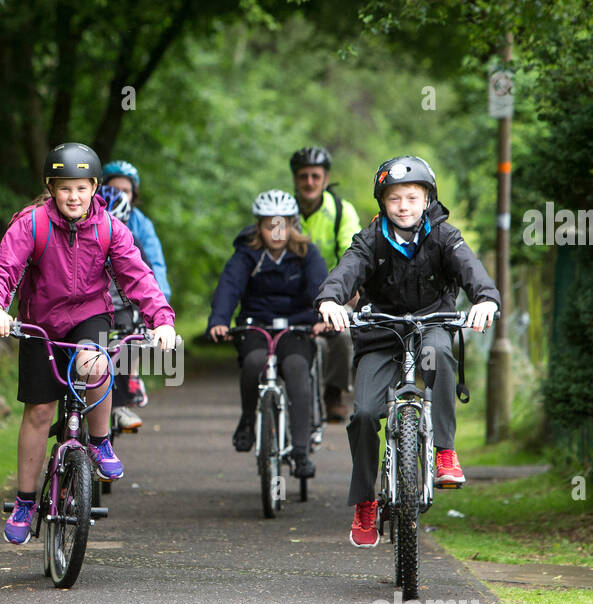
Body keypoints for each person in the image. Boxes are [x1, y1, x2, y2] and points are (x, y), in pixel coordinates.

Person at [0, 142, 177, 545]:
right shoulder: (31, 224)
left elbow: (139, 278)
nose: (74, 197)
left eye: (82, 188)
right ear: (52, 188)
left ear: (94, 188)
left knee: (97, 364)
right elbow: (2, 269)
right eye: (65, 188)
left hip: (90, 316)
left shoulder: (109, 229)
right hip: (41, 324)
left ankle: (101, 442)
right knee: (38, 412)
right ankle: (25, 501)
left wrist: (162, 321)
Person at [315, 155, 500, 548]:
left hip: (432, 324)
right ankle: (365, 500)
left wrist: (485, 299)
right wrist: (331, 300)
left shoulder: (445, 236)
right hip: (380, 333)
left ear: (427, 199)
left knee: (441, 354)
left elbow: (472, 270)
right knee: (364, 413)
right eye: (395, 198)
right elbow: (347, 269)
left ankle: (445, 452)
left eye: (412, 197)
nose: (403, 206)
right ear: (383, 202)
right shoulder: (371, 239)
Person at [208, 189, 328, 479]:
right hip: (256, 325)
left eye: (282, 224)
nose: (276, 231)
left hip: (296, 327)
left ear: (292, 225)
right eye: (269, 224)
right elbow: (229, 287)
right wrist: (219, 320)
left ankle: (300, 451)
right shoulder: (247, 254)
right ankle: (248, 421)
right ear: (258, 227)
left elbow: (320, 286)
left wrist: (322, 316)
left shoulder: (306, 253)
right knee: (254, 362)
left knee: (297, 368)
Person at [291, 146, 361, 422]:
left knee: (343, 336)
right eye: (303, 176)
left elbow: (352, 256)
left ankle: (334, 392)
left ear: (325, 177)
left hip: (335, 293)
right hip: (292, 293)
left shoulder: (342, 211)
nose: (309, 182)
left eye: (315, 176)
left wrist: (346, 297)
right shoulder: (283, 211)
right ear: (295, 179)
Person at [102, 160, 171, 426]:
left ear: (134, 195)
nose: (120, 195)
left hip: (127, 300)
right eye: (114, 189)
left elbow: (153, 267)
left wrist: (159, 310)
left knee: (130, 331)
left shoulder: (141, 226)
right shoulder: (91, 219)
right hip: (96, 301)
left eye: (126, 190)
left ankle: (129, 377)